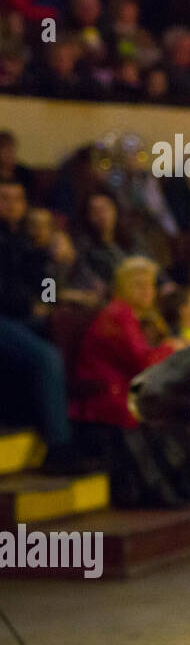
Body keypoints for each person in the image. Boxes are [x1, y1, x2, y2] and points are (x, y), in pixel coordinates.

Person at [68, 257, 190, 508]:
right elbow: (141, 361)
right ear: (123, 288)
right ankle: (157, 486)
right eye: (138, 285)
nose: (147, 291)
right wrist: (172, 347)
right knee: (143, 414)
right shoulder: (119, 313)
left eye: (150, 284)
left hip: (126, 387)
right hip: (105, 393)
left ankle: (176, 480)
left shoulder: (138, 315)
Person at [0, 180, 91, 473]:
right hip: (5, 316)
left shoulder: (23, 242)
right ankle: (59, 445)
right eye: (4, 198)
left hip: (20, 317)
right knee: (47, 356)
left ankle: (88, 429)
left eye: (17, 199)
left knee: (80, 332)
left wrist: (54, 260)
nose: (11, 205)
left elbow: (47, 290)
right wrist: (31, 305)